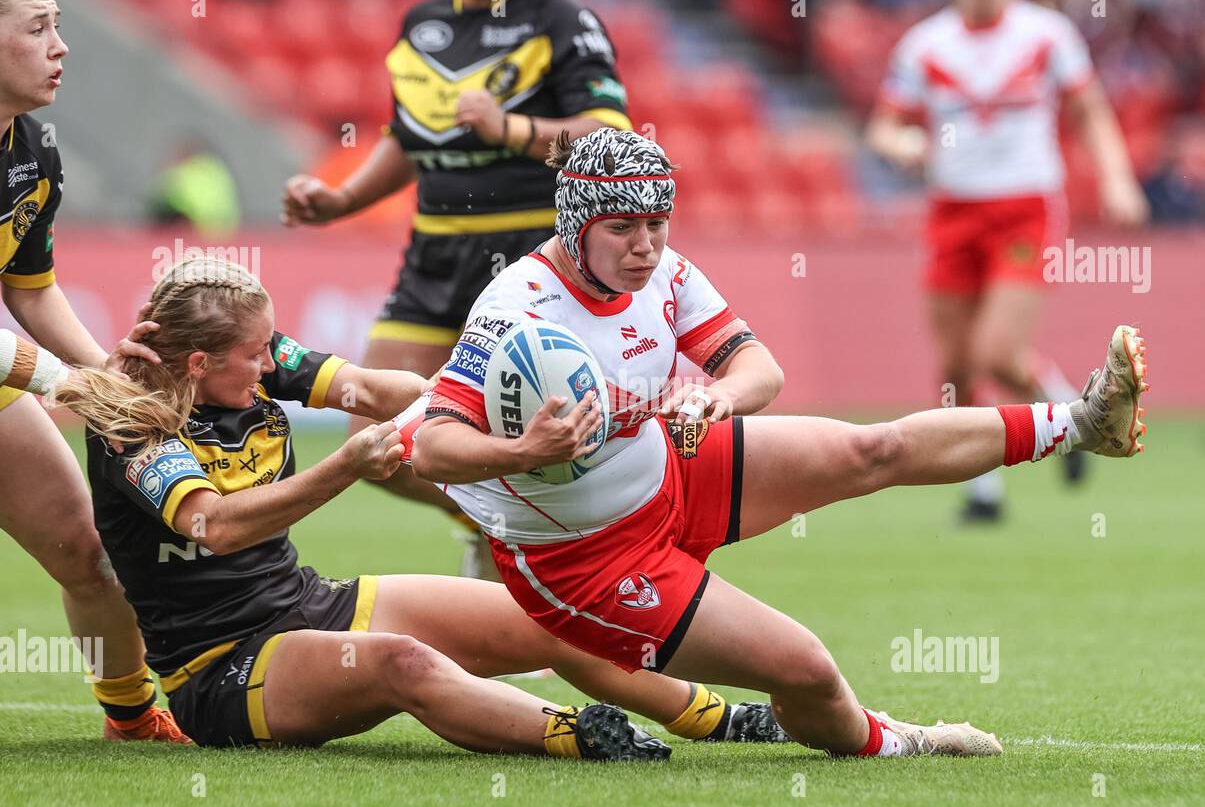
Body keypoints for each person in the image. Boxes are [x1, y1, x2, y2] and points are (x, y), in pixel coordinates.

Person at [407, 127, 1149, 759]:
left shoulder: (663, 271)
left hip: (670, 462)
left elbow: (762, 369)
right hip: (586, 557)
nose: (644, 247)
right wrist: (525, 451)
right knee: (806, 671)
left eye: (657, 224)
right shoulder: (516, 310)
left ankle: (1083, 424)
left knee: (873, 451)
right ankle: (895, 742)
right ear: (575, 228)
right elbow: (434, 449)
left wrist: (718, 396)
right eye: (622, 230)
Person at [52, 256, 789, 751]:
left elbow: (377, 391)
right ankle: (579, 735)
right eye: (257, 354)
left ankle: (724, 721)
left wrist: (474, 397)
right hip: (221, 669)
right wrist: (345, 464)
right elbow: (214, 526)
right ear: (200, 364)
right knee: (404, 665)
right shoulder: (133, 426)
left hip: (309, 604)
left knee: (548, 618)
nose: (274, 361)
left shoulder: (259, 366)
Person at [282, 0, 632, 576]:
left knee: (543, 433)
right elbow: (408, 138)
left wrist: (512, 130)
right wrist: (344, 200)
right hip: (437, 253)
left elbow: (607, 136)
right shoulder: (423, 25)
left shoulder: (563, 19)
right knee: (375, 436)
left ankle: (566, 576)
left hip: (532, 253)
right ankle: (492, 521)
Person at [865, 0, 1148, 521]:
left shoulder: (1046, 35)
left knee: (994, 352)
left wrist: (1118, 178)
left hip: (1026, 208)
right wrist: (902, 143)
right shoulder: (925, 44)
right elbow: (882, 126)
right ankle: (984, 488)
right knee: (954, 364)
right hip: (951, 211)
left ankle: (1070, 410)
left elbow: (1089, 111)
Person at [0, 0, 187, 741]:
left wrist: (108, 371)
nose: (61, 46)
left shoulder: (35, 152)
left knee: (87, 548)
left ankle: (132, 717)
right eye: (37, 27)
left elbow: (30, 289)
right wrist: (64, 380)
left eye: (59, 24)